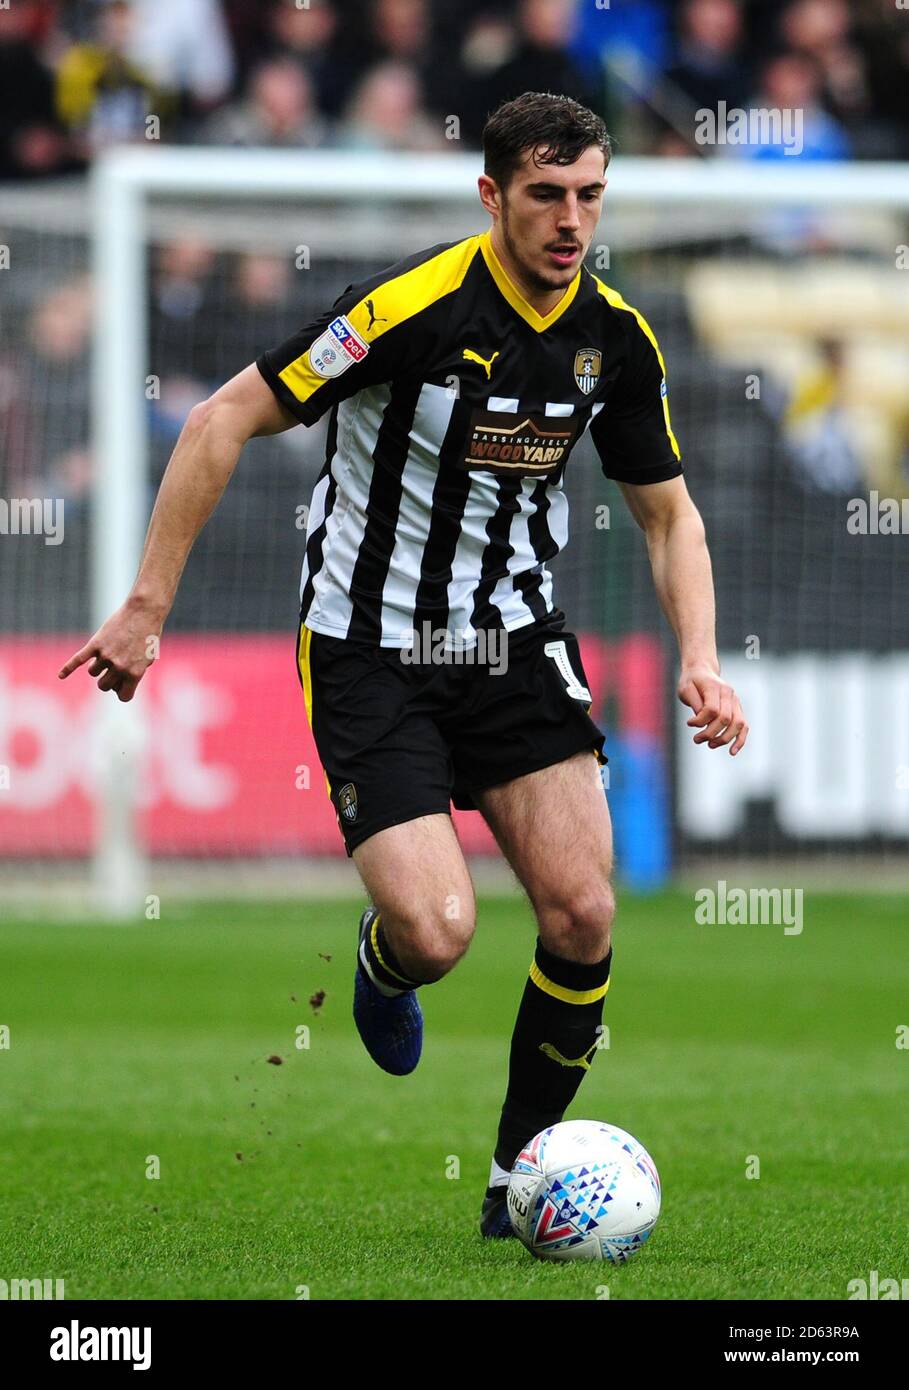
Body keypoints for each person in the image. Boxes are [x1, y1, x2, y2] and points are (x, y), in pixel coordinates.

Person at [59, 91, 748, 1238]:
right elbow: (220, 419)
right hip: (371, 647)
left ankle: (511, 1182)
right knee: (440, 929)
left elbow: (671, 519)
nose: (570, 221)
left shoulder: (615, 340)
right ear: (491, 197)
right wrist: (145, 606)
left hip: (513, 639)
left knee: (581, 911)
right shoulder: (407, 308)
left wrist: (705, 659)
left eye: (588, 196)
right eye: (544, 196)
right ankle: (388, 962)